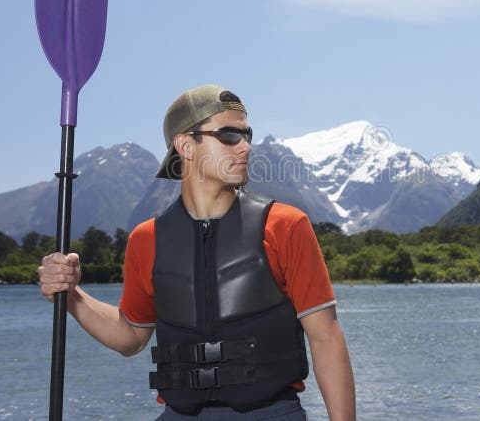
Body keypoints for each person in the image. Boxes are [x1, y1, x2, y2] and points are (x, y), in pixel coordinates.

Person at [38, 85, 356, 420]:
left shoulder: (286, 226)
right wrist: (70, 296)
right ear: (186, 145)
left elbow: (326, 339)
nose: (246, 145)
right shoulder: (146, 240)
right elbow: (129, 336)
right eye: (230, 135)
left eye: (247, 133)